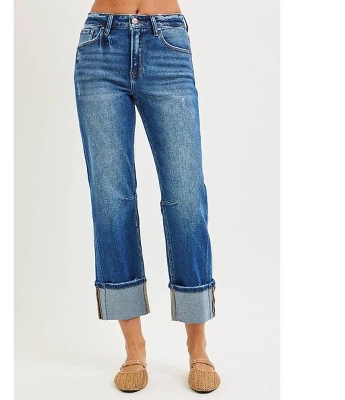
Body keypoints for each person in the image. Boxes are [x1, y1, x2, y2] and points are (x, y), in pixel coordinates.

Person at [74, 0, 220, 392]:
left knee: (186, 197)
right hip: (100, 45)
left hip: (165, 43)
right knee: (111, 200)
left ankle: (198, 346)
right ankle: (134, 348)